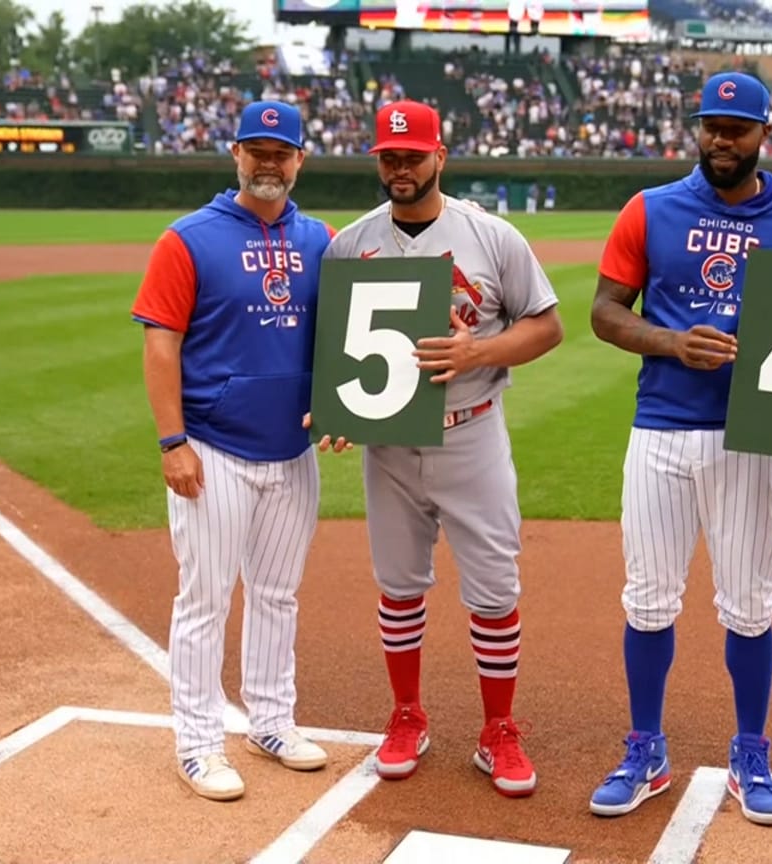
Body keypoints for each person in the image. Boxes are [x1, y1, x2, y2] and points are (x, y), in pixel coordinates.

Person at [586, 70, 772, 827]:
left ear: (765, 133)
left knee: (750, 606)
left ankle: (750, 749)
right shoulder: (650, 209)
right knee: (648, 599)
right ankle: (645, 749)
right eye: (710, 126)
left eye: (736, 128)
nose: (721, 140)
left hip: (748, 438)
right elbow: (603, 312)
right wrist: (668, 341)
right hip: (660, 426)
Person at [320, 99, 564, 798]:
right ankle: (406, 716)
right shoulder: (351, 244)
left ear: (439, 156)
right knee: (398, 587)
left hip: (472, 431)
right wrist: (340, 406)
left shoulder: (491, 237)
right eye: (389, 157)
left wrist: (478, 350)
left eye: (412, 156)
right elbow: (337, 347)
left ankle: (499, 730)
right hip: (390, 445)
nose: (400, 168)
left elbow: (546, 326)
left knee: (493, 590)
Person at [130, 101, 337, 802]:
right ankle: (196, 743)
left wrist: (339, 407)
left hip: (292, 450)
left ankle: (271, 721)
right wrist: (172, 440)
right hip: (212, 449)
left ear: (300, 160)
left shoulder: (322, 241)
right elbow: (161, 342)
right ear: (236, 156)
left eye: (281, 151)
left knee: (278, 595)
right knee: (206, 599)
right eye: (257, 149)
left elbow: (341, 340)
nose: (268, 161)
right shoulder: (188, 239)